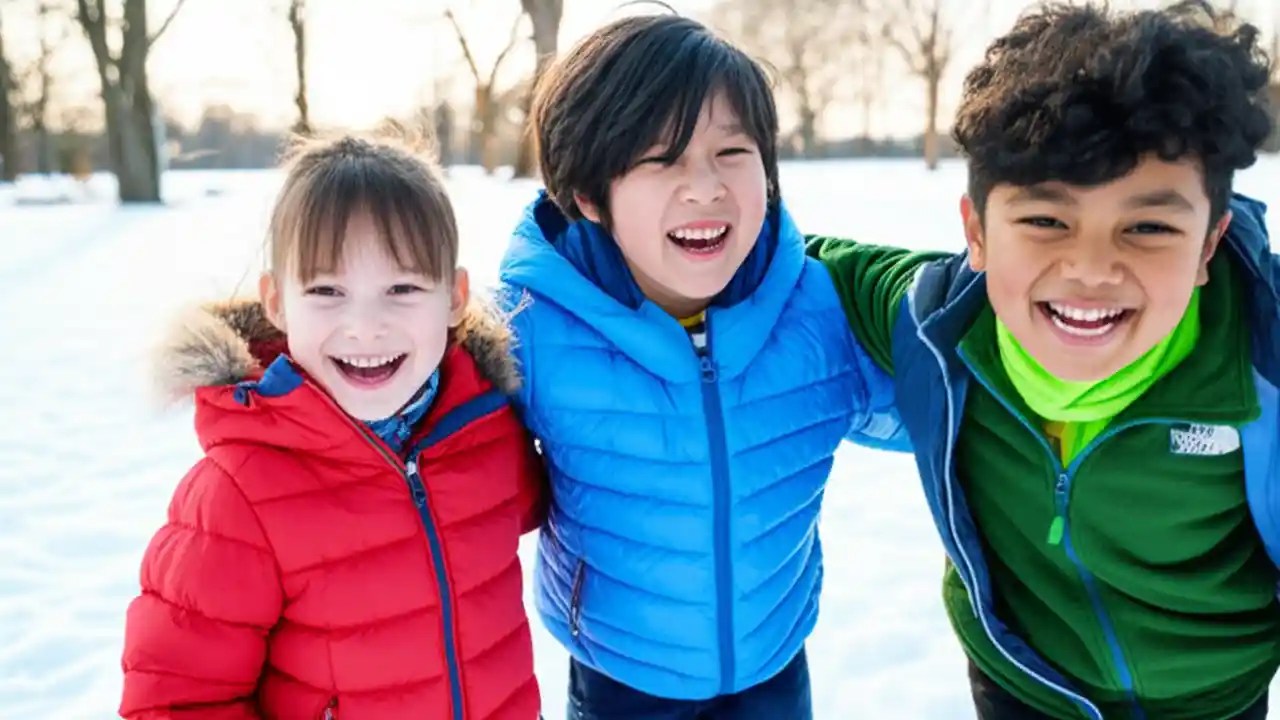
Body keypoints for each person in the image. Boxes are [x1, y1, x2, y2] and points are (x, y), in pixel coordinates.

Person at [808, 2, 1280, 718]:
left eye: (1148, 226)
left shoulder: (1264, 357)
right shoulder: (937, 323)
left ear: (1209, 245)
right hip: (1024, 688)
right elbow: (771, 255)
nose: (1091, 267)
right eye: (1044, 220)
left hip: (1217, 699)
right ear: (978, 231)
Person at [498, 13, 905, 720]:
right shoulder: (532, 327)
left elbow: (941, 408)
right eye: (661, 158)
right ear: (590, 194)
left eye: (731, 152)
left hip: (773, 658)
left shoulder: (816, 311)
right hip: (623, 671)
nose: (705, 187)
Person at [120, 131, 546, 720]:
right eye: (327, 291)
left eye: (402, 288)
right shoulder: (238, 495)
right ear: (277, 301)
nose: (364, 327)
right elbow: (176, 699)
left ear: (454, 297)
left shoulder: (487, 432)